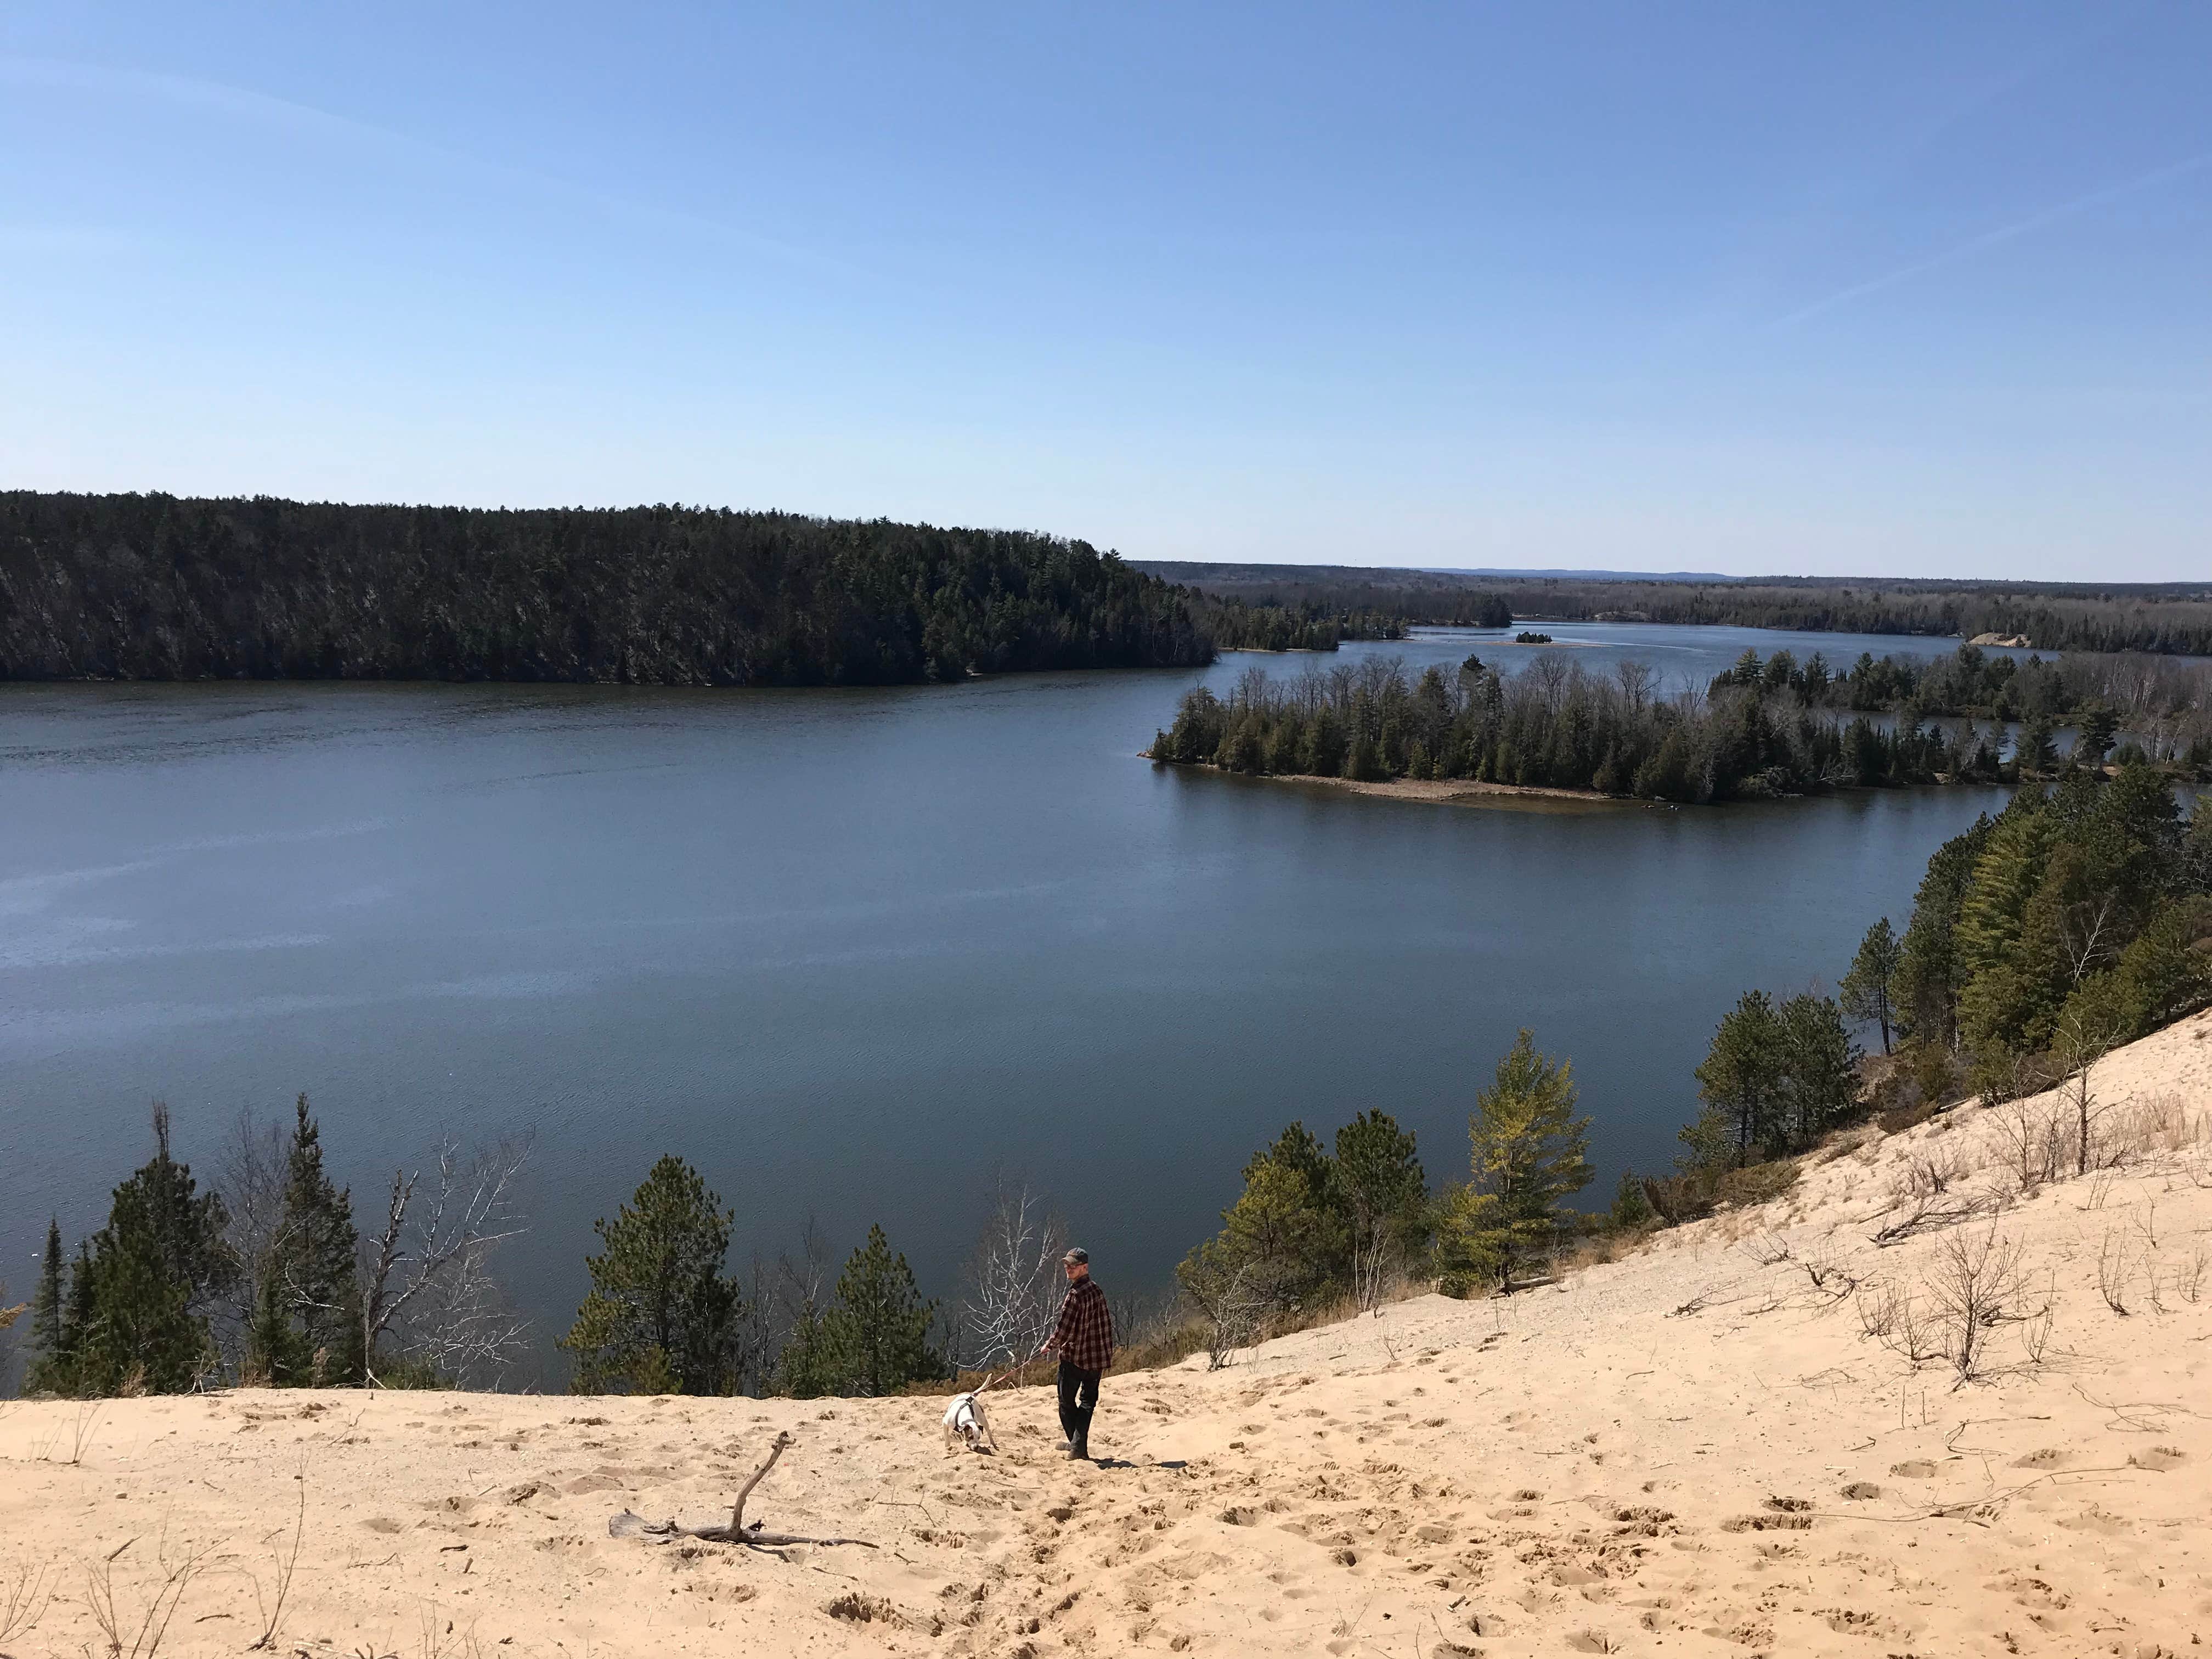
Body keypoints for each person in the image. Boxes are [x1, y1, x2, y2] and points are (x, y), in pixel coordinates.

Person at [1037, 1245, 1113, 1461]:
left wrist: (1049, 1346)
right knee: (1088, 1403)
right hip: (1096, 1359)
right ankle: (1077, 1445)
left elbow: (1064, 1329)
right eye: (1066, 1264)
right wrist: (1106, 1354)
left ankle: (1077, 1447)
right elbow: (1105, 1325)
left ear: (1085, 1267)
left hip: (1075, 1359)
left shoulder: (1075, 1295)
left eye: (1073, 1265)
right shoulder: (1096, 1290)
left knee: (1066, 1403)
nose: (1068, 1268)